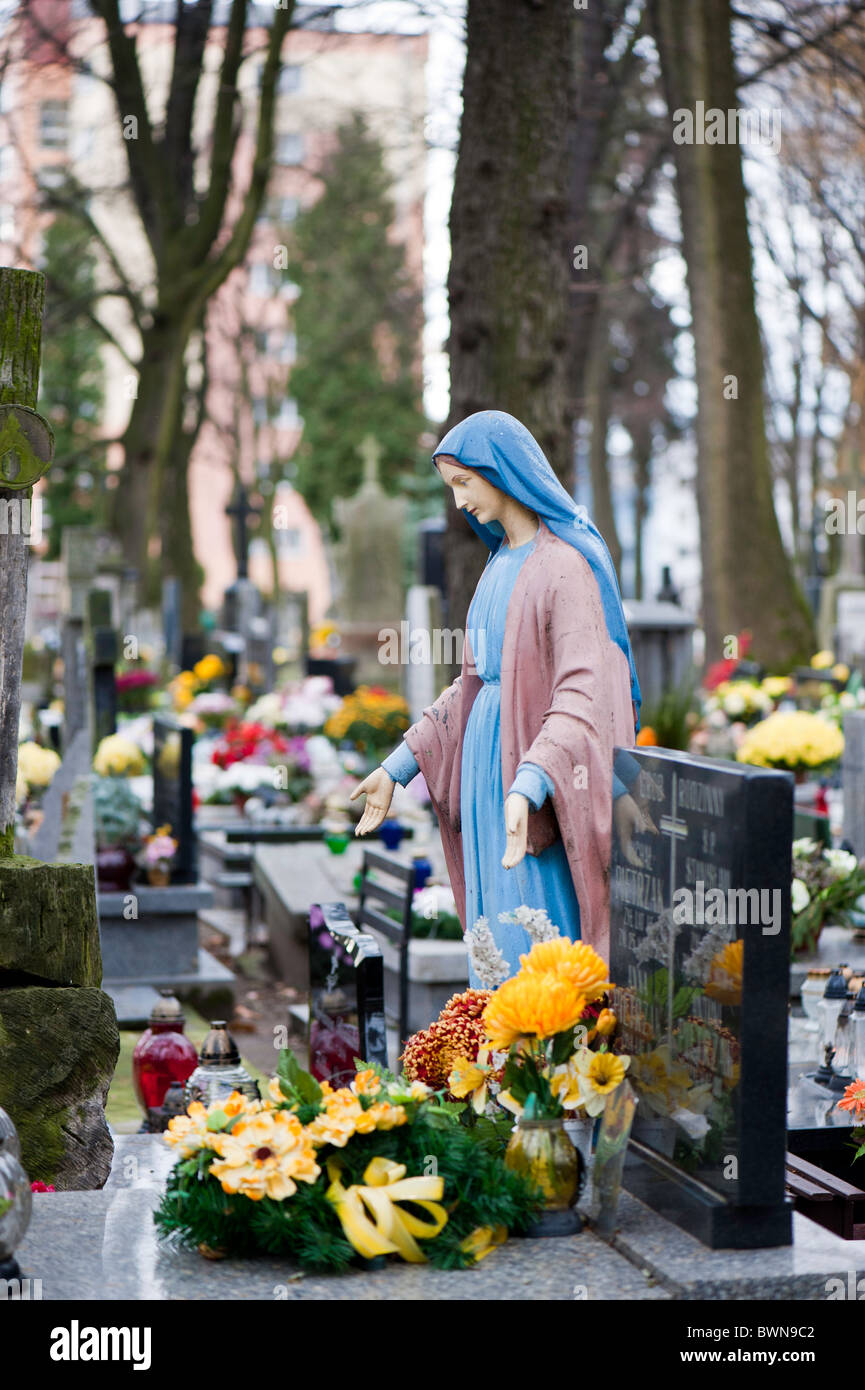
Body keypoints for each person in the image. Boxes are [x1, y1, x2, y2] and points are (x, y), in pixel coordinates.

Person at [350, 410, 644, 974]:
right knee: (492, 935)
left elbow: (581, 693)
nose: (459, 502)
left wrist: (531, 781)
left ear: (501, 470)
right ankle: (497, 1050)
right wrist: (398, 767)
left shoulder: (562, 567)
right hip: (487, 776)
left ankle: (546, 1052)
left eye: (464, 483)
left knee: (533, 929)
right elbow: (470, 690)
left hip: (529, 781)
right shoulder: (495, 568)